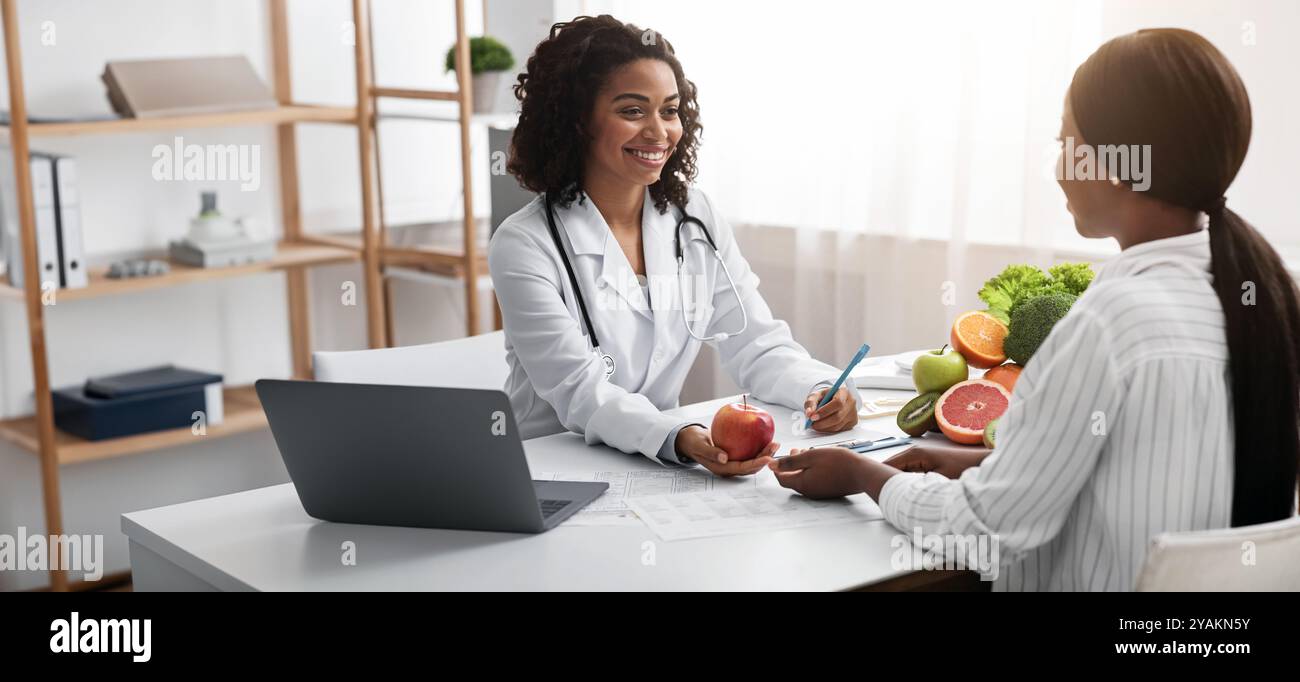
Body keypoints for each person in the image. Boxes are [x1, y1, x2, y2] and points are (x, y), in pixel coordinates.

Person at [770, 28, 1300, 590]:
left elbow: (985, 532)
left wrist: (864, 475)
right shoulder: (1268, 294)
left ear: (1120, 163)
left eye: (1066, 141)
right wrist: (984, 468)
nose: (1057, 168)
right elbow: (1151, 478)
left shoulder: (1111, 321)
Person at [489, 15, 859, 477]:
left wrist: (822, 388)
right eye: (632, 111)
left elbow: (756, 343)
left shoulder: (694, 216)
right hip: (553, 469)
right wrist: (679, 438)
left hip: (657, 466)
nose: (659, 131)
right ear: (577, 122)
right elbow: (581, 392)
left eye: (669, 110)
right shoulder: (525, 244)